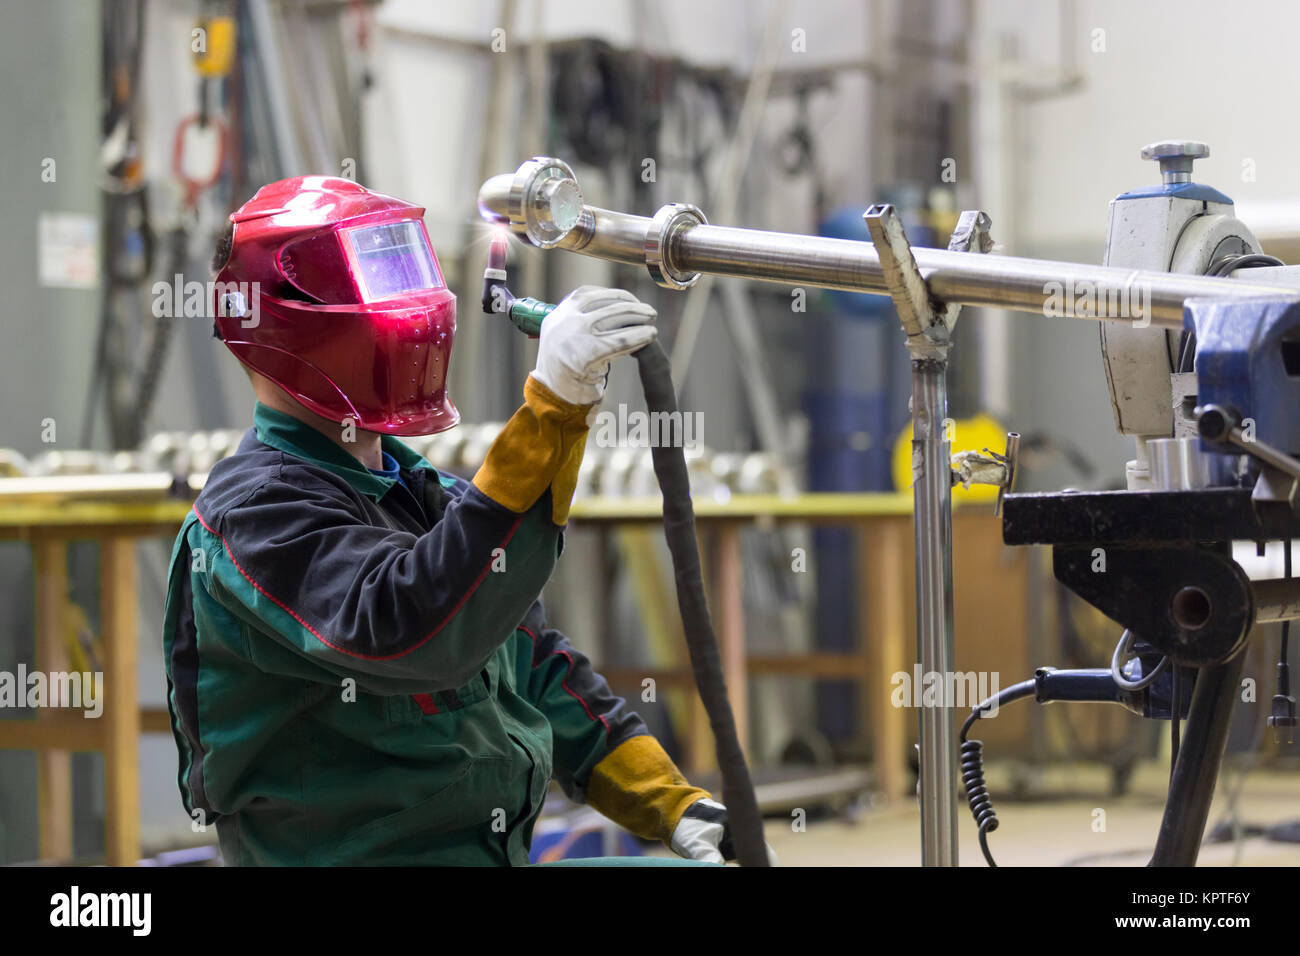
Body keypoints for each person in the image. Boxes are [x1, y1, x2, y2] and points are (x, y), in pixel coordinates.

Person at [161, 176, 735, 865]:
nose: (409, 304)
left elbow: (534, 665)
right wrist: (550, 410)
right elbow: (414, 628)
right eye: (376, 274)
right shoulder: (255, 517)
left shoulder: (417, 492)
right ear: (285, 316)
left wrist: (669, 803)